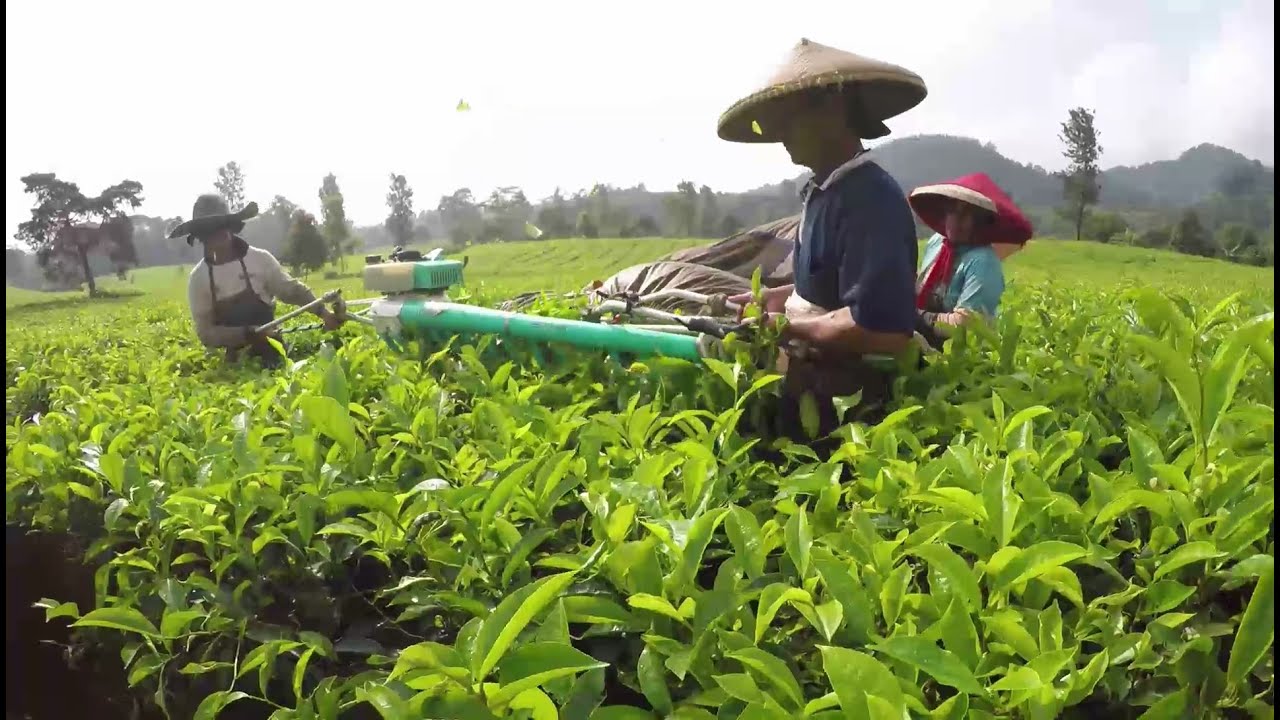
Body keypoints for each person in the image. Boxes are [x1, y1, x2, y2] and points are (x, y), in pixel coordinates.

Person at [720, 37, 928, 437]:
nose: (781, 134)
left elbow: (882, 331)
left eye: (789, 118)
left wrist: (786, 326)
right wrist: (777, 299)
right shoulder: (822, 193)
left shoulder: (870, 198)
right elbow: (824, 291)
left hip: (847, 394)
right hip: (815, 357)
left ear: (833, 112)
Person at [169, 194, 344, 367]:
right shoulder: (199, 278)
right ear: (201, 236)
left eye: (222, 225)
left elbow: (292, 291)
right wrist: (246, 334)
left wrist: (324, 313)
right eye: (210, 229)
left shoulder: (259, 259)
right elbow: (206, 333)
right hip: (236, 367)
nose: (218, 233)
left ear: (231, 226)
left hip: (274, 354)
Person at [908, 172, 1033, 349]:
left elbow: (964, 326)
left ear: (981, 222)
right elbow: (924, 286)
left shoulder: (983, 261)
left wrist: (916, 316)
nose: (957, 221)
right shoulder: (937, 242)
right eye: (952, 211)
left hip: (958, 355)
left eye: (968, 214)